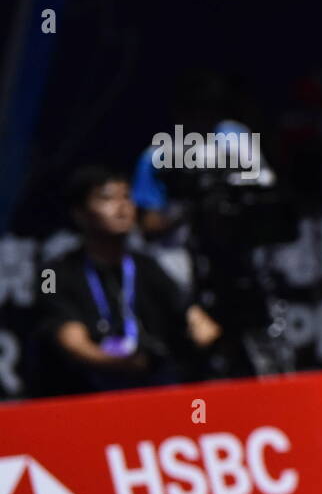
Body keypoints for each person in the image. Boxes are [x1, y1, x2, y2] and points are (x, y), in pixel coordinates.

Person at [36, 165, 221, 395]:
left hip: (153, 389)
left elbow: (197, 322)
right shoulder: (51, 273)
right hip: (83, 395)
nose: (122, 207)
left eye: (126, 197)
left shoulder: (146, 265)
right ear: (80, 213)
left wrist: (199, 334)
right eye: (107, 198)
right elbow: (71, 343)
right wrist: (126, 365)